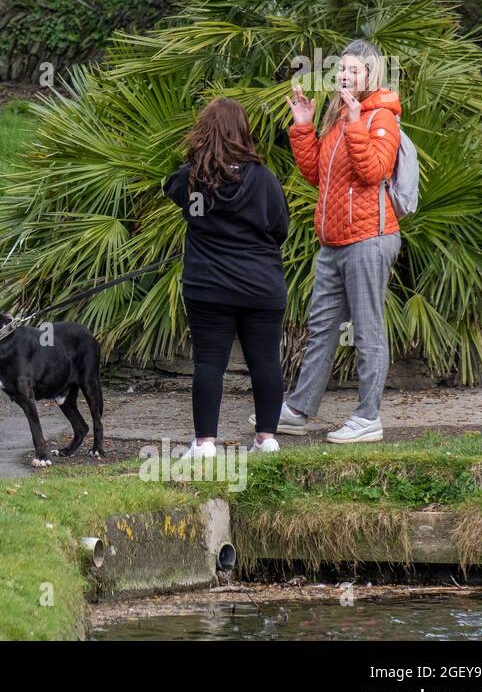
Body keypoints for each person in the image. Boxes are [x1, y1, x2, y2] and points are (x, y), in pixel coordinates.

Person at [277, 39, 402, 443]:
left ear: (371, 75)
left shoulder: (382, 116)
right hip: (332, 241)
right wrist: (302, 125)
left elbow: (373, 171)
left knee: (367, 330)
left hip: (370, 239)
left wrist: (353, 122)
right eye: (341, 70)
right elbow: (318, 175)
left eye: (353, 71)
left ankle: (368, 417)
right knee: (322, 327)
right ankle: (298, 410)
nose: (344, 76)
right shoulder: (337, 115)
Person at [164, 98, 289, 457]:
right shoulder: (264, 180)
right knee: (265, 361)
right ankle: (267, 437)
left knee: (209, 363)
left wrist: (197, 160)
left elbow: (167, 186)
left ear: (205, 133)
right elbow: (279, 228)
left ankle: (205, 442)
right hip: (261, 285)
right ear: (244, 133)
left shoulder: (192, 180)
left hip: (209, 288)